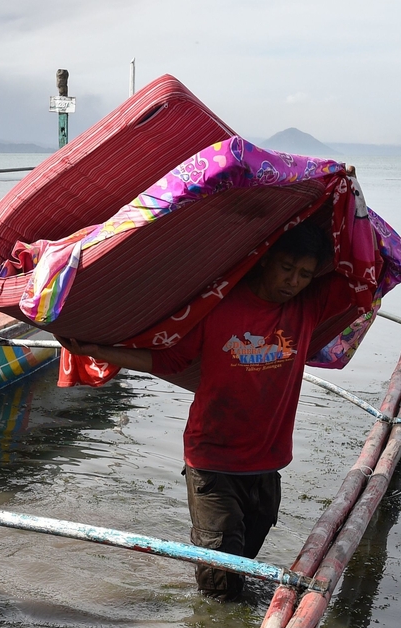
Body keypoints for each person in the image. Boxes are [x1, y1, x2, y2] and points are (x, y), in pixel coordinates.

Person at [57, 223, 351, 601]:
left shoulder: (308, 307)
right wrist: (93, 349)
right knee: (219, 582)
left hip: (266, 465)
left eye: (305, 274)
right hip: (213, 462)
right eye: (286, 267)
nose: (293, 281)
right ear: (264, 262)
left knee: (239, 564)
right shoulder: (218, 306)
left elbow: (360, 275)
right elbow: (169, 359)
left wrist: (349, 202)